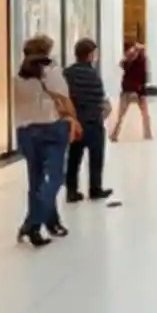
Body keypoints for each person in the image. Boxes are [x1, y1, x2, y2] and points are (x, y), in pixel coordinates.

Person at [13, 35, 74, 248]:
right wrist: (74, 120)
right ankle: (33, 222)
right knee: (56, 178)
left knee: (36, 181)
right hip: (51, 128)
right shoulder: (51, 72)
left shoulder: (17, 75)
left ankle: (45, 225)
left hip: (26, 131)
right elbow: (64, 99)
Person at [64, 38, 113, 203]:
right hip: (93, 121)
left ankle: (71, 191)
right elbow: (101, 99)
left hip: (75, 122)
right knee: (96, 157)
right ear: (90, 55)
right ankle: (95, 188)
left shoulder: (68, 73)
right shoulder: (93, 75)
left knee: (73, 158)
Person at [110, 39, 152, 142]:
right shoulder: (143, 60)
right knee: (145, 114)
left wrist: (130, 54)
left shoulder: (128, 60)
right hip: (140, 91)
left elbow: (121, 64)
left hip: (127, 89)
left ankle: (115, 134)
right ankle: (147, 134)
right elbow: (145, 76)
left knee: (121, 114)